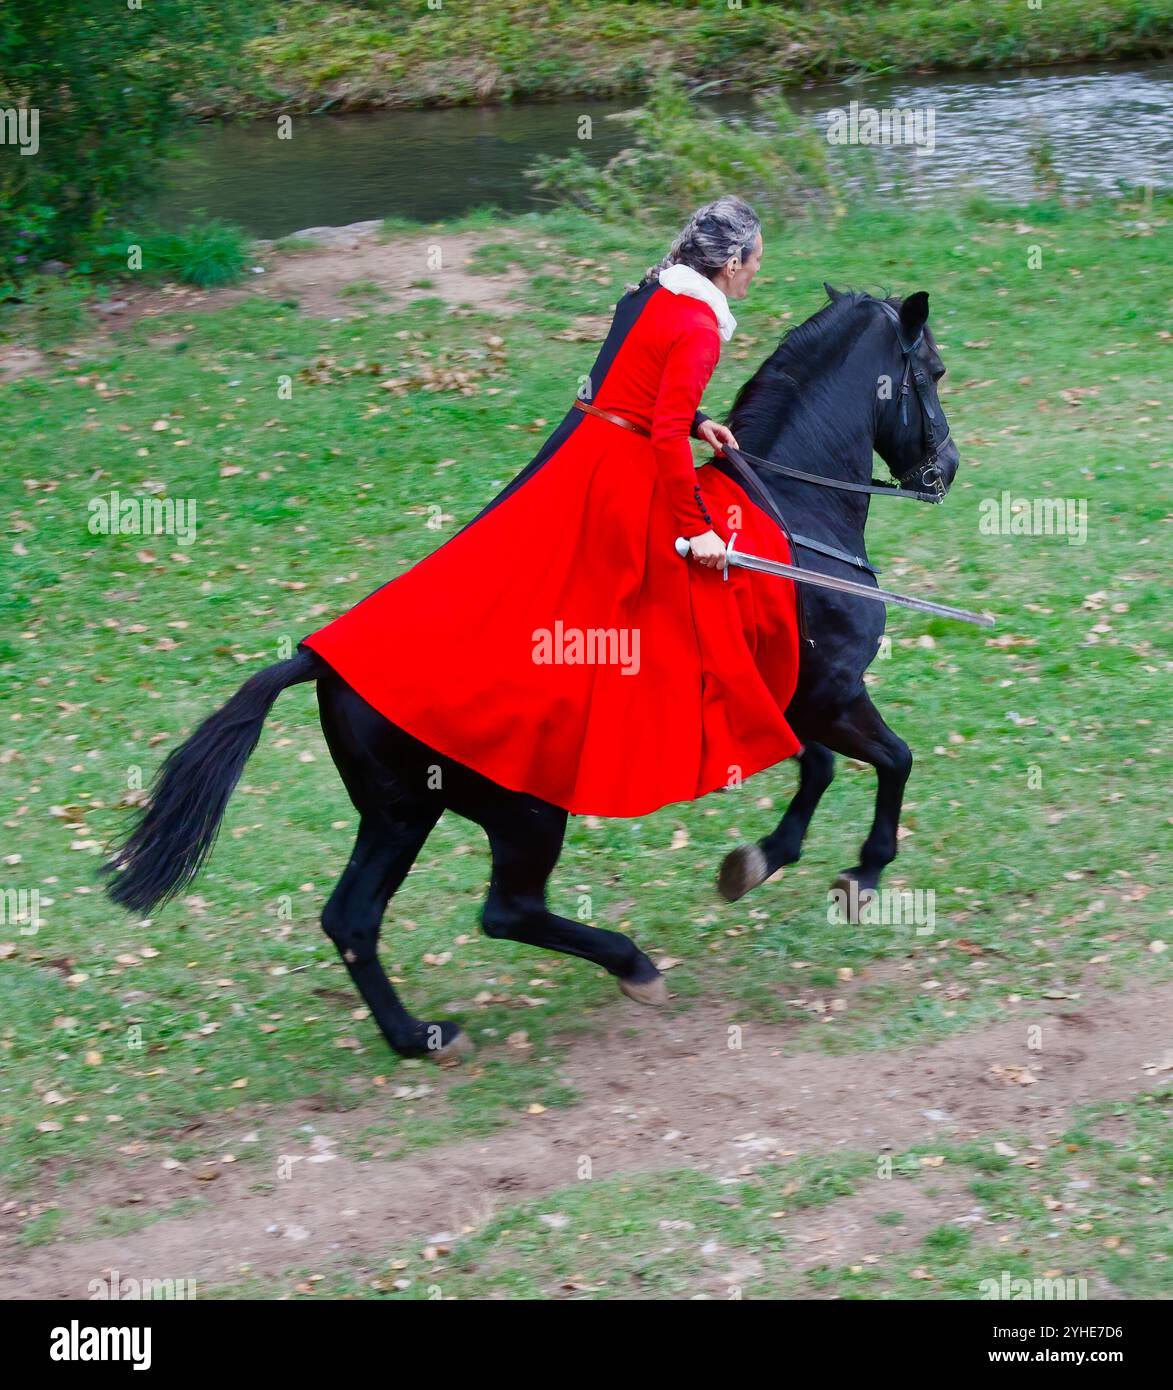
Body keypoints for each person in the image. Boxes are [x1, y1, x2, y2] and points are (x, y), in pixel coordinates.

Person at [301, 195, 801, 817]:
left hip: (586, 447)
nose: (758, 271)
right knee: (685, 595)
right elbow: (663, 436)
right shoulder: (699, 329)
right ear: (731, 262)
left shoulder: (653, 294)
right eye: (756, 260)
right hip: (624, 470)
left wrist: (698, 419)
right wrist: (698, 530)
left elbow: (633, 378)